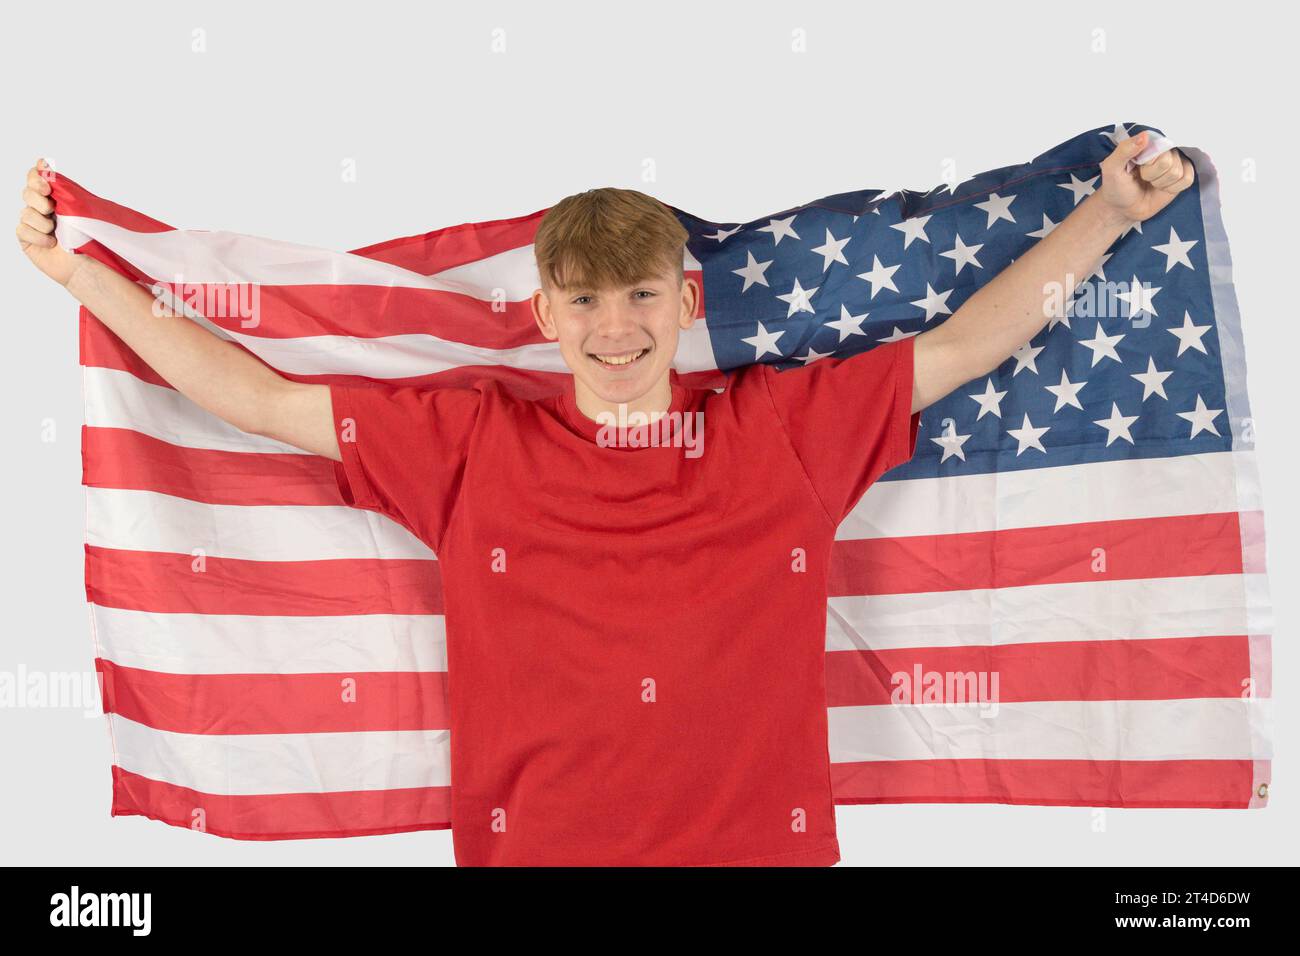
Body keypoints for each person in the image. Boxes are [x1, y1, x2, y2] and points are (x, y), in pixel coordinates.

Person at [16, 132, 1193, 865]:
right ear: (544, 317)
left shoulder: (784, 432)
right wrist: (85, 276)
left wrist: (1109, 214)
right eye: (582, 302)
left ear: (684, 303)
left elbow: (966, 344)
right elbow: (260, 399)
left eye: (637, 294)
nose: (613, 327)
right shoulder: (468, 444)